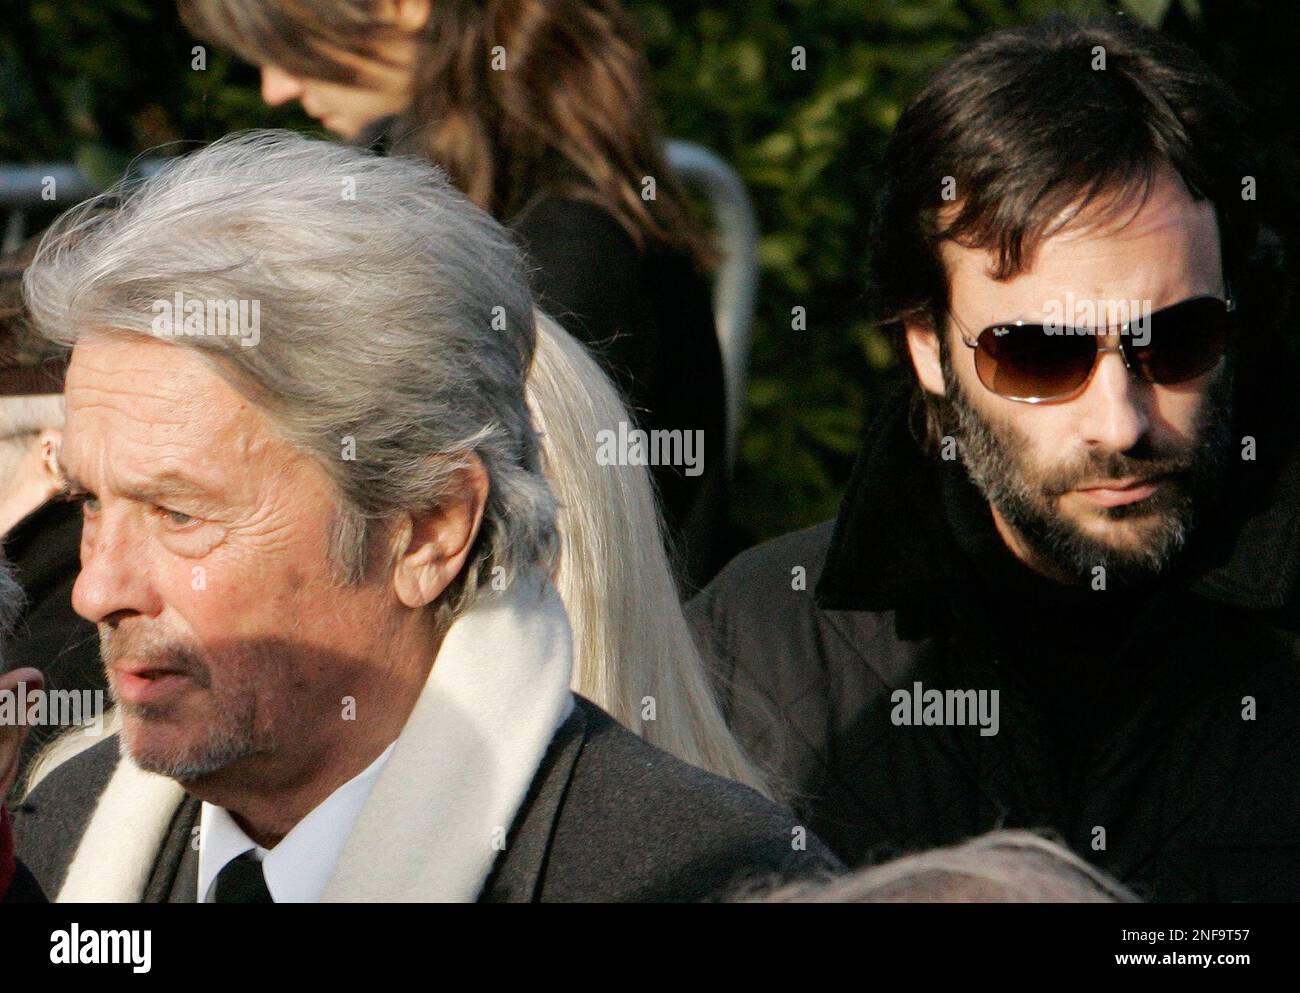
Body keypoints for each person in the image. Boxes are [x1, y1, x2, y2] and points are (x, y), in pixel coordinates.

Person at [11, 130, 831, 902]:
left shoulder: (691, 877)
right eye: (88, 501)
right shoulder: (56, 836)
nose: (96, 589)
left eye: (178, 512)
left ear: (430, 527)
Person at [688, 15, 1300, 902]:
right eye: (1040, 356)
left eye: (1178, 339)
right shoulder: (751, 656)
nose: (1120, 421)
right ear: (929, 347)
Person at [177, 0, 731, 588]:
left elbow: (496, 549)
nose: (275, 88)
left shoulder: (572, 248)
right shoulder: (425, 191)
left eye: (291, 45)